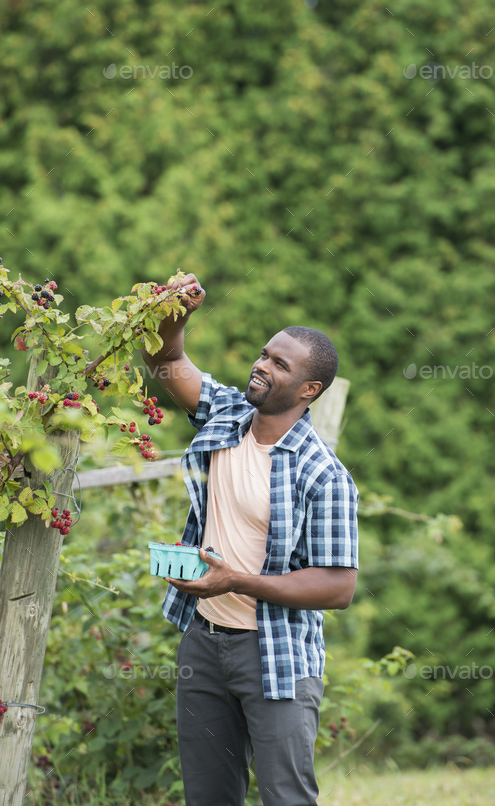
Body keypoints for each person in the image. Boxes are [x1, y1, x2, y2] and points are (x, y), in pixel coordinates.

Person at [142, 272, 359, 806]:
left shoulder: (323, 474)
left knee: (285, 796)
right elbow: (166, 364)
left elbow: (337, 587)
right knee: (208, 795)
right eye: (265, 354)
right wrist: (176, 319)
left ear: (309, 390)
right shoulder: (229, 417)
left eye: (280, 364)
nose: (262, 365)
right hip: (204, 642)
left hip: (276, 655)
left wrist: (234, 580)